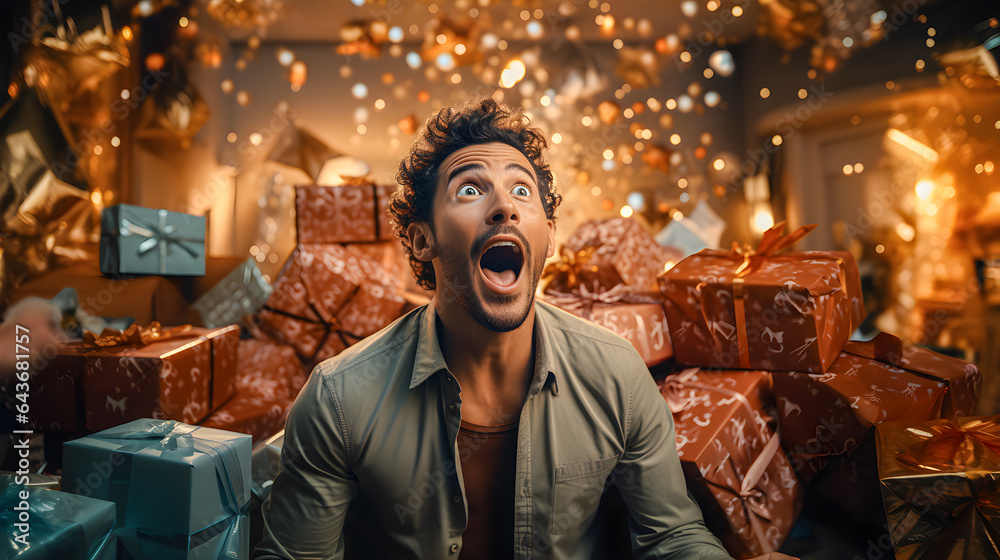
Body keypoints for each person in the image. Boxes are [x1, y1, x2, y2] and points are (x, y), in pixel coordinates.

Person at [253, 98, 798, 560]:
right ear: (422, 240)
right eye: (470, 190)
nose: (503, 208)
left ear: (549, 236)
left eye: (521, 191)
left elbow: (672, 537)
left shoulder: (617, 374)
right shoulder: (339, 397)